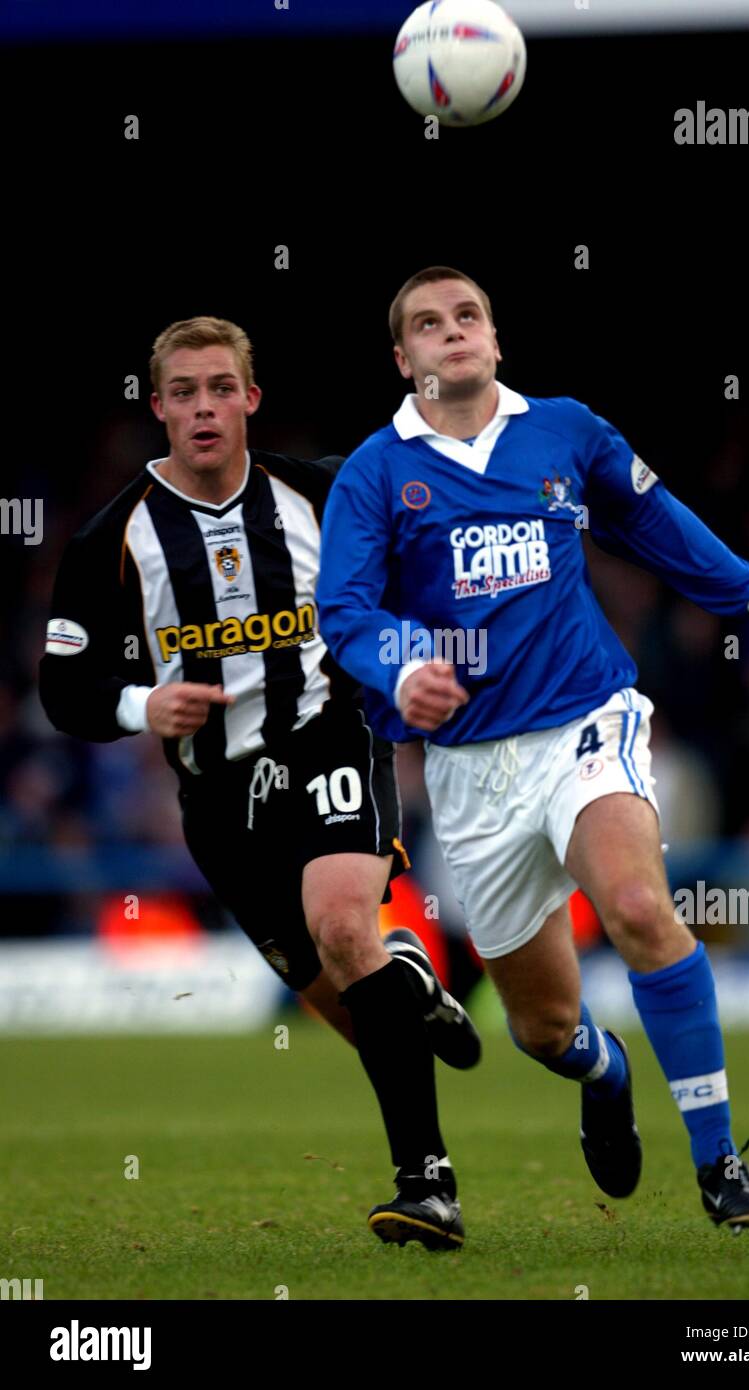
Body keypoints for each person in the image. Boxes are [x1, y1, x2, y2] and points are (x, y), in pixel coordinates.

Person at [317, 266, 749, 1243]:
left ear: (495, 338)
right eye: (427, 324)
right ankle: (602, 1072)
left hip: (583, 720)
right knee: (541, 1028)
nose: (452, 332)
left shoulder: (563, 430)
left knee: (642, 906)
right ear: (403, 358)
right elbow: (345, 610)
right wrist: (400, 670)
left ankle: (719, 1162)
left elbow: (645, 517)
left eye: (467, 315)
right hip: (470, 769)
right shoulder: (374, 473)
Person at [39, 315, 479, 1253]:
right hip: (217, 801)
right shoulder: (110, 540)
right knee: (352, 1005)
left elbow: (413, 574)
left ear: (251, 398)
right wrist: (138, 708)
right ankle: (409, 979)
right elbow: (63, 690)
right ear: (157, 407)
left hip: (330, 739)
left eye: (220, 389)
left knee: (343, 923)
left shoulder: (320, 493)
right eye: (185, 393)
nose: (205, 408)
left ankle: (427, 1186)